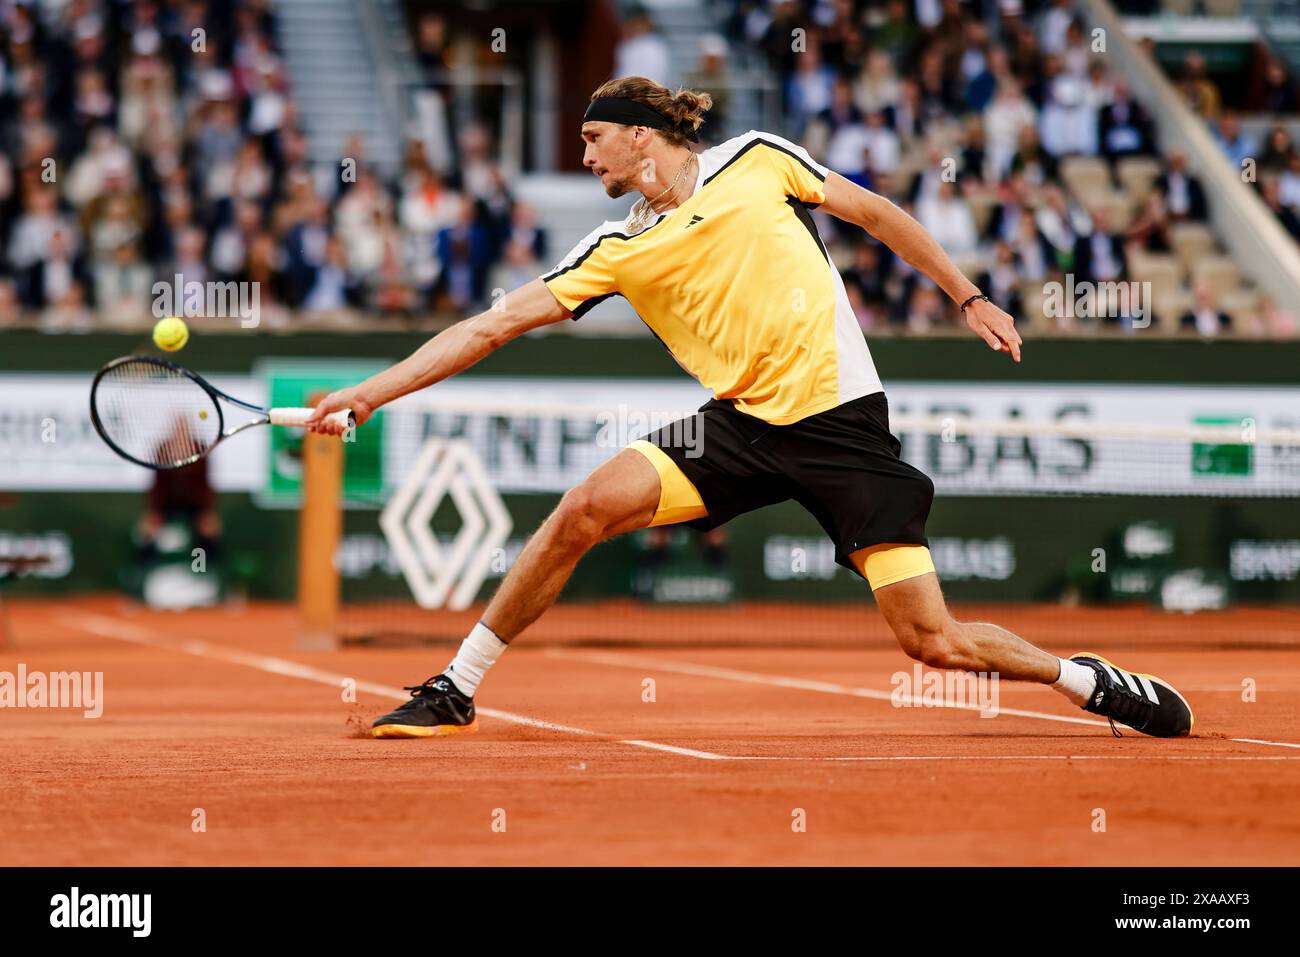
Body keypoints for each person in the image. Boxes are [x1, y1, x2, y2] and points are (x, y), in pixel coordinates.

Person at [307, 76, 1193, 741]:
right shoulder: (616, 247)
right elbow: (488, 327)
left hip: (842, 425)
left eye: (595, 138)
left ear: (644, 138)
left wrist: (967, 296)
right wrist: (370, 392)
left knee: (933, 642)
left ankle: (1083, 680)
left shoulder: (758, 160)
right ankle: (457, 686)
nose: (585, 158)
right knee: (581, 508)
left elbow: (877, 213)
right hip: (734, 425)